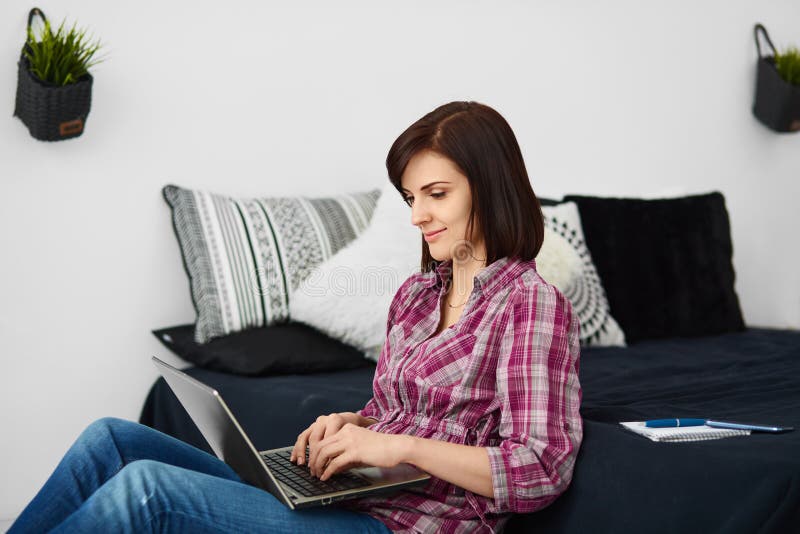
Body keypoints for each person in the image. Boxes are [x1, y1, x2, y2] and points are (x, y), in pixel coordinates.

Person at [8, 101, 582, 534]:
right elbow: (395, 414)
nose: (417, 216)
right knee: (109, 440)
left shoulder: (530, 305)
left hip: (401, 525)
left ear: (490, 188)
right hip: (352, 496)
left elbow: (539, 469)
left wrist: (402, 448)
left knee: (147, 490)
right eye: (411, 198)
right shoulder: (415, 296)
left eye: (436, 194)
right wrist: (354, 424)